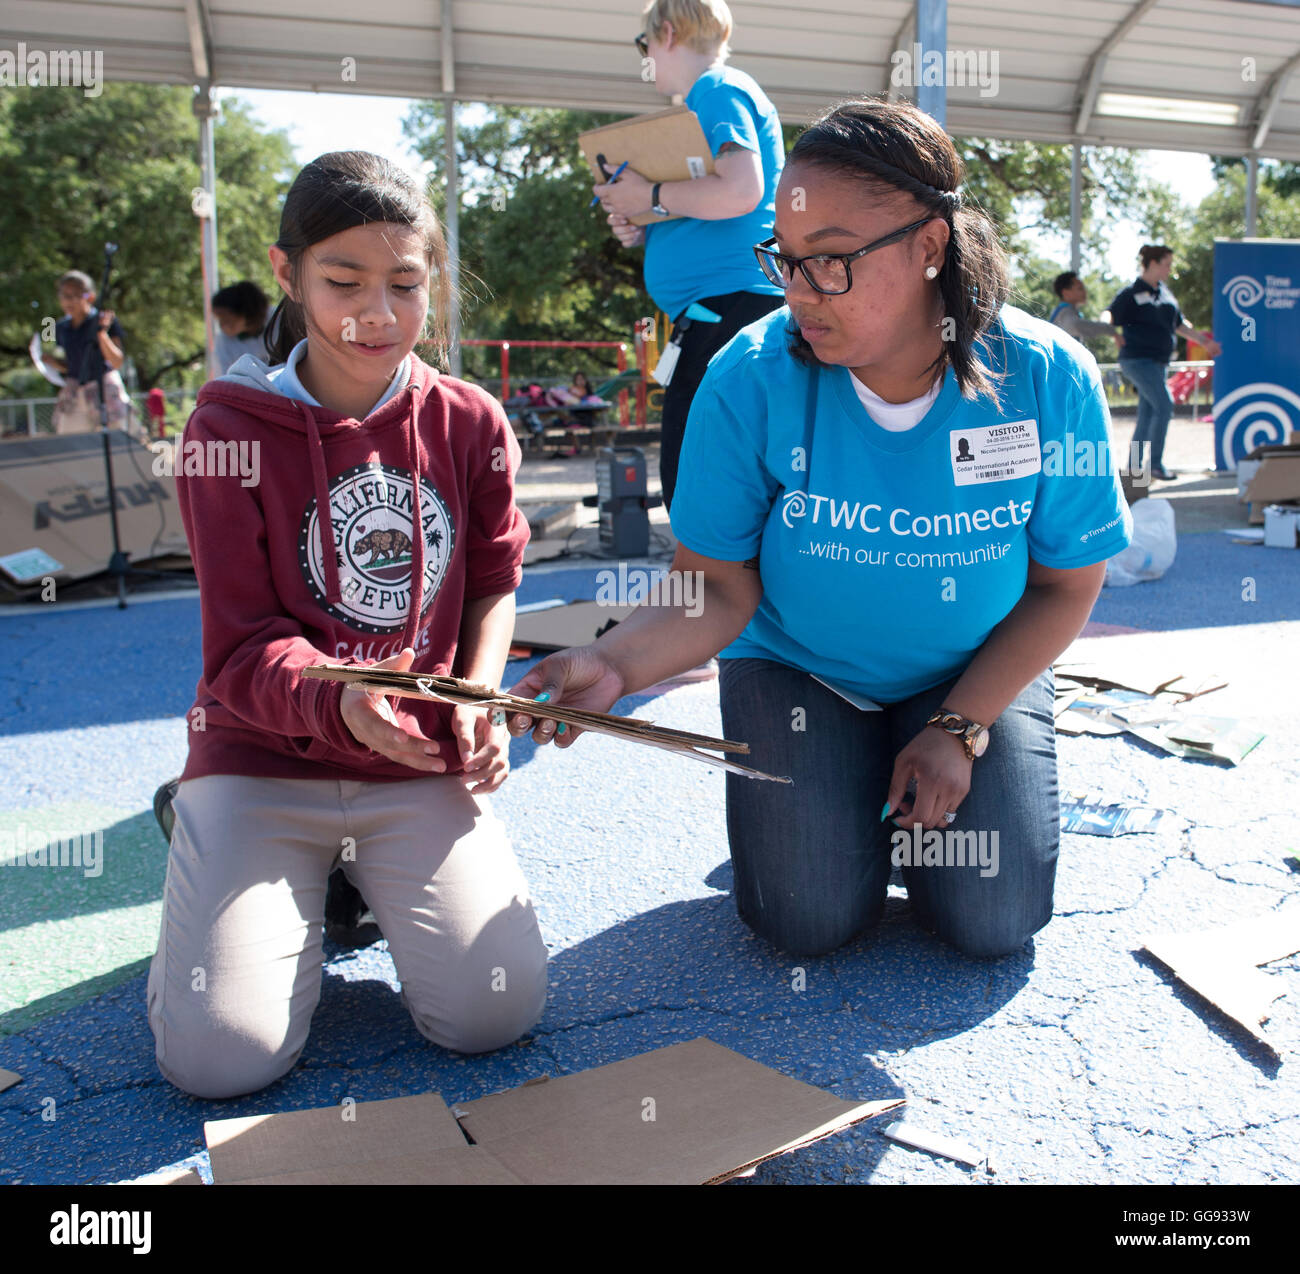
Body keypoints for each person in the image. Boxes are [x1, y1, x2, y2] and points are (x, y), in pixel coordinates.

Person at [509, 98, 1134, 962]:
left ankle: (883, 785)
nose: (799, 295)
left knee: (993, 918)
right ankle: (830, 807)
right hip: (801, 670)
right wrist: (614, 662)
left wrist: (959, 727)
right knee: (804, 919)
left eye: (832, 262)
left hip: (968, 672)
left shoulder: (1044, 376)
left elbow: (1068, 584)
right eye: (788, 261)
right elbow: (716, 583)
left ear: (928, 246)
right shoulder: (752, 374)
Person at [146, 151, 548, 1099]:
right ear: (287, 275)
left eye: (406, 285)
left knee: (496, 1013)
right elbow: (239, 646)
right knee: (218, 1061)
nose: (377, 313)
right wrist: (341, 700)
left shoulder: (470, 421)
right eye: (343, 282)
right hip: (262, 758)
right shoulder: (225, 430)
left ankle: (347, 880)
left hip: (409, 761)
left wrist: (479, 697)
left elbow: (495, 575)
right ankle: (206, 827)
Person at [595, 0, 785, 511]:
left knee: (693, 476)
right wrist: (641, 220)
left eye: (645, 45)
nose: (647, 59)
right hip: (718, 310)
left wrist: (650, 198)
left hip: (731, 308)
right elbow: (715, 198)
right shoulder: (707, 102)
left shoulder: (718, 89)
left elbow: (743, 190)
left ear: (669, 33)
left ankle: (711, 588)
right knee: (703, 469)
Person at [1108, 245, 1221, 481]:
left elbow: (1178, 325)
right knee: (1165, 404)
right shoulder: (1131, 293)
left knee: (1148, 415)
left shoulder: (1166, 294)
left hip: (1159, 364)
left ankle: (1134, 469)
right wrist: (1102, 328)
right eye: (1167, 264)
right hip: (1137, 360)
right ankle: (1155, 465)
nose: (1170, 269)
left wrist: (1204, 342)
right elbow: (1110, 315)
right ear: (1153, 263)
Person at [49, 270, 132, 434]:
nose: (69, 301)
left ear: (90, 297)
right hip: (75, 390)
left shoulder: (104, 320)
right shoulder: (61, 327)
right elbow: (73, 365)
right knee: (68, 438)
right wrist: (52, 363)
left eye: (75, 296)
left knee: (118, 437)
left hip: (104, 387)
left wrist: (101, 333)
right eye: (65, 296)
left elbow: (117, 361)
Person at [210, 279, 273, 375]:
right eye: (219, 320)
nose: (222, 325)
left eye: (227, 319)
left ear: (246, 313)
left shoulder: (278, 319)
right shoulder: (223, 342)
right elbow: (224, 377)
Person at [1049, 272, 1122, 349]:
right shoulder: (1065, 312)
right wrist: (1109, 330)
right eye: (1080, 288)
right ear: (1065, 292)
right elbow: (1076, 325)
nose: (1085, 292)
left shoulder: (1062, 311)